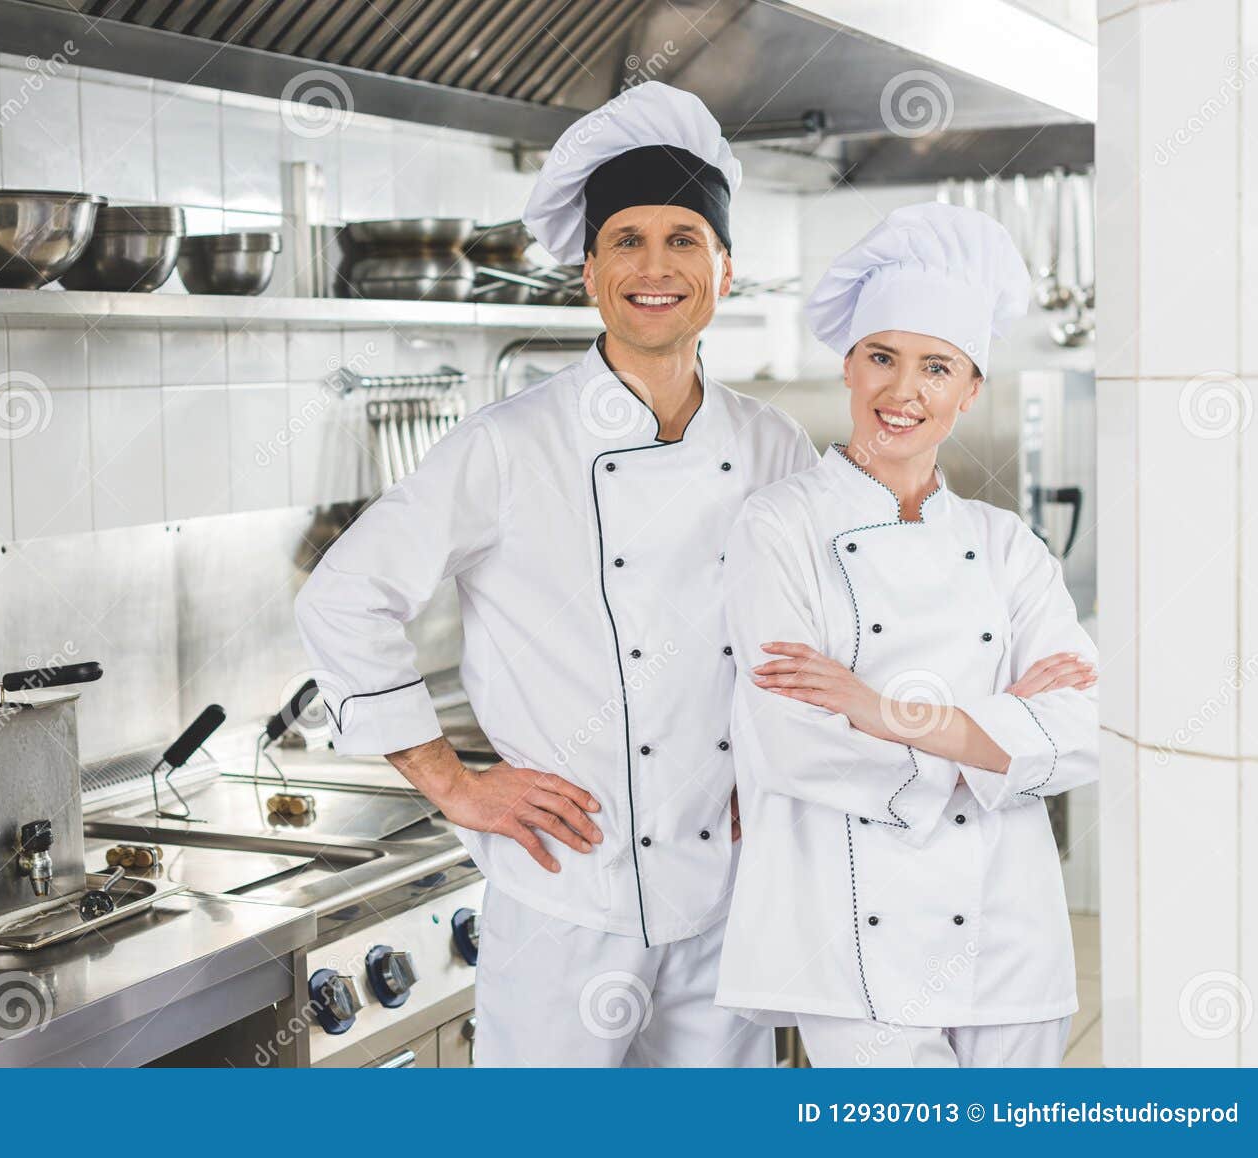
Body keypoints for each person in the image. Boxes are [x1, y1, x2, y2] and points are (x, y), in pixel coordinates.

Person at [294, 82, 816, 1066]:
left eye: (683, 238)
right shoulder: (510, 445)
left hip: (723, 900)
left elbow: (805, 635)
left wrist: (776, 768)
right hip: (566, 897)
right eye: (627, 240)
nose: (655, 266)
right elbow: (343, 595)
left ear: (724, 270)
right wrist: (449, 781)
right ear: (588, 272)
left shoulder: (770, 444)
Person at [712, 201, 1099, 1067]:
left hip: (1011, 933)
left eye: (936, 367)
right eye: (882, 358)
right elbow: (790, 743)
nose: (903, 392)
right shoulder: (777, 527)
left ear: (970, 391)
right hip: (847, 938)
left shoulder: (1007, 546)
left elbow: (1085, 733)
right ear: (848, 366)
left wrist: (886, 711)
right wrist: (996, 729)